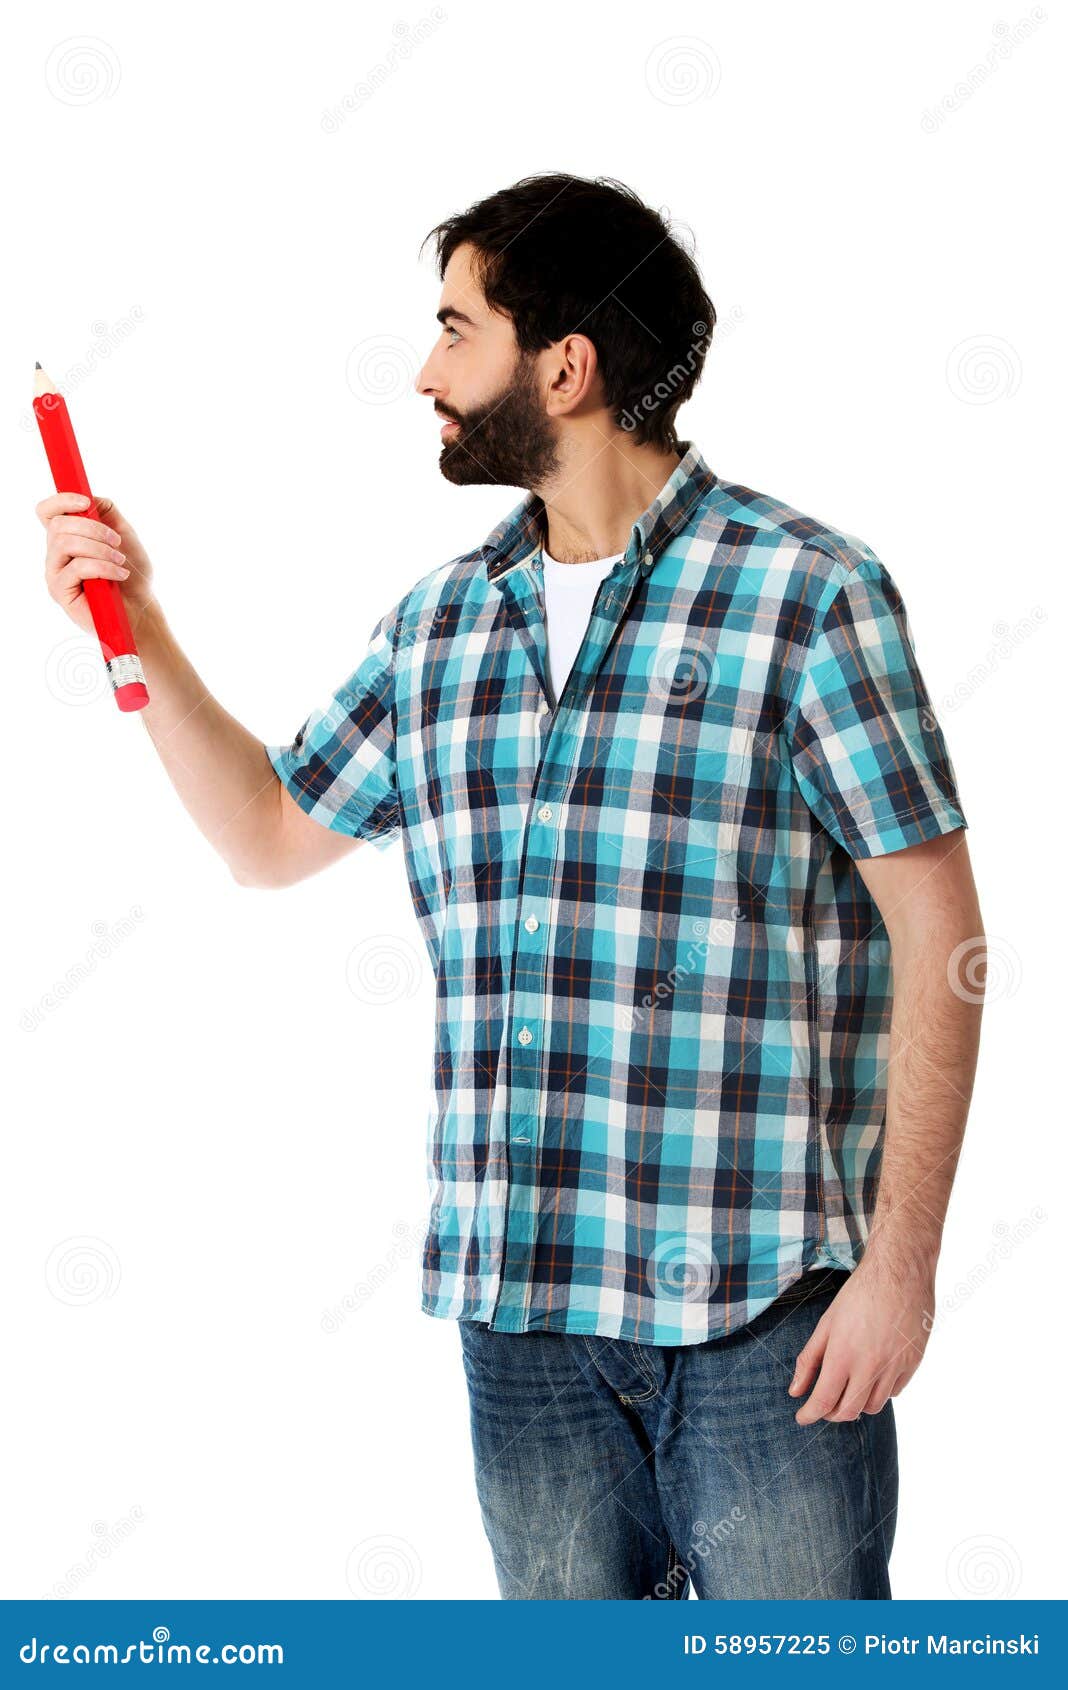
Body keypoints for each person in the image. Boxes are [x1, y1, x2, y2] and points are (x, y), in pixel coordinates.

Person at [36, 173, 985, 1601]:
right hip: (522, 1326)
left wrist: (901, 1268)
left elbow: (942, 932)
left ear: (565, 364)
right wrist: (143, 631)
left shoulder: (809, 593)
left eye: (453, 329)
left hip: (765, 1324)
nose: (422, 370)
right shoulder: (440, 625)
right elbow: (268, 835)